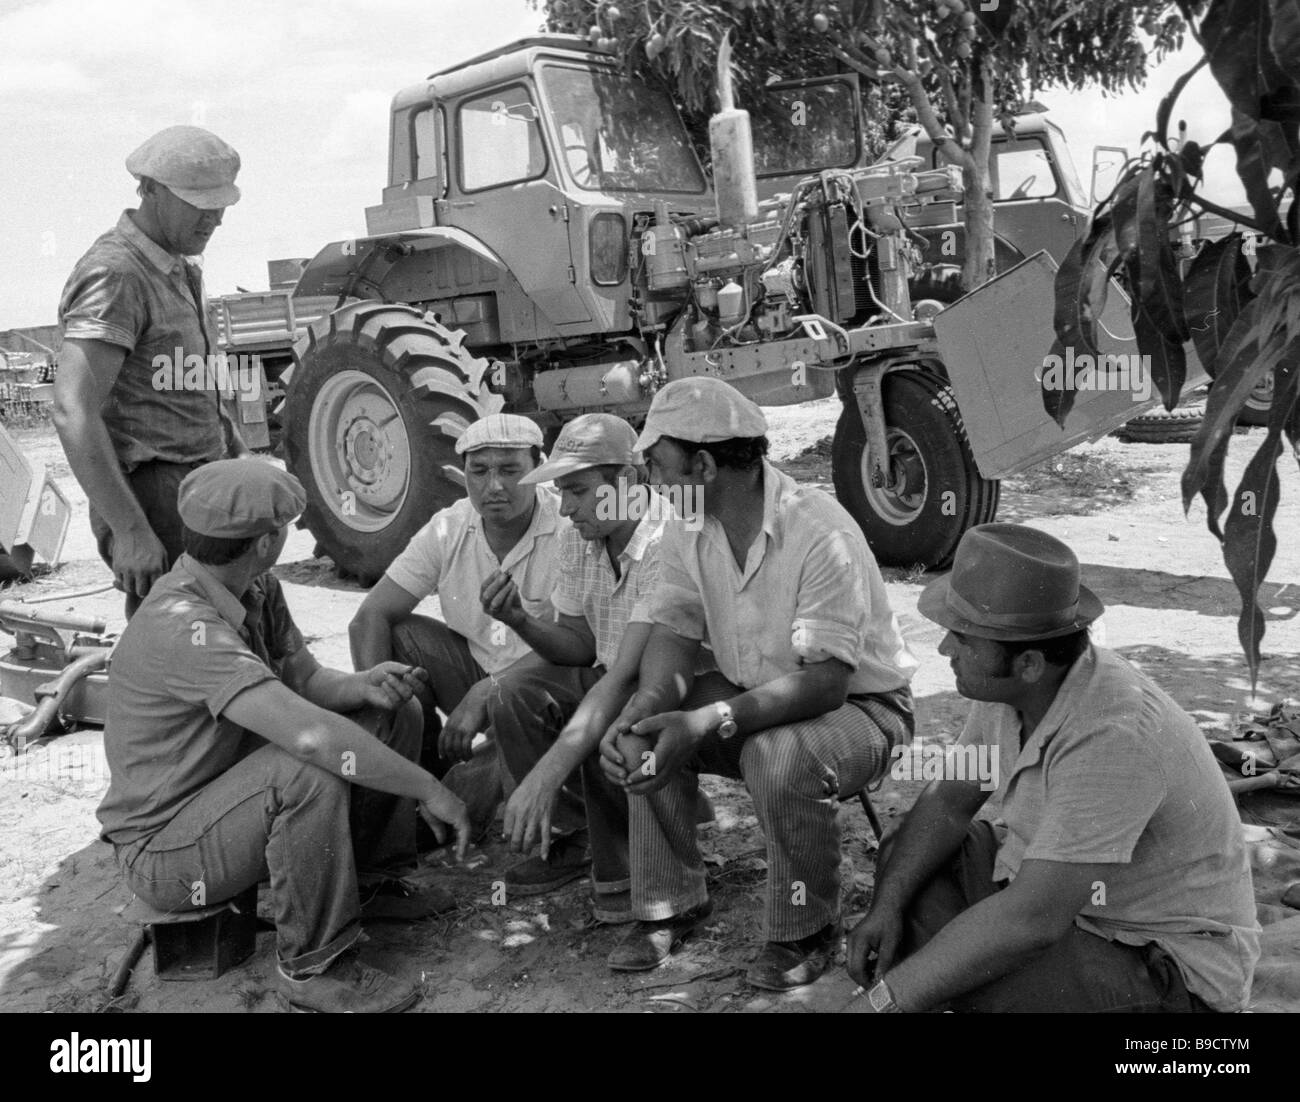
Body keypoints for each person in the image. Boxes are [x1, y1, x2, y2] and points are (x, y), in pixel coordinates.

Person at [98, 460, 470, 1014]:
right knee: (304, 771)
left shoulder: (253, 586)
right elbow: (310, 740)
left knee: (397, 713)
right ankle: (314, 968)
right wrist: (428, 788)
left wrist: (364, 685)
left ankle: (370, 884)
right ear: (267, 541)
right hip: (165, 850)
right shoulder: (182, 625)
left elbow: (305, 681)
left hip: (222, 801)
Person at [846, 523, 1260, 1013]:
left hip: (1156, 959)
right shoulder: (1009, 689)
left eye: (962, 639)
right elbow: (949, 803)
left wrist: (884, 1002)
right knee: (910, 858)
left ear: (1029, 664)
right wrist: (887, 905)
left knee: (987, 979)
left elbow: (1031, 922)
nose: (944, 651)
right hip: (1063, 901)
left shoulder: (1114, 736)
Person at [598, 377, 917, 990]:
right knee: (643, 734)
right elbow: (673, 631)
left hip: (863, 708)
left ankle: (806, 927)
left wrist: (704, 722)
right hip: (760, 696)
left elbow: (825, 683)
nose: (653, 484)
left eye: (660, 467)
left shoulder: (819, 530)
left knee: (774, 754)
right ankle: (673, 903)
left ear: (705, 463)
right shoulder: (686, 527)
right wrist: (647, 707)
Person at [55, 126, 250, 617]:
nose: (216, 218)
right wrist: (131, 530)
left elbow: (184, 379)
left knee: (231, 638)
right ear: (150, 190)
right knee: (184, 658)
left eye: (221, 204)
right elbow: (72, 409)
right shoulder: (116, 273)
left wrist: (233, 451)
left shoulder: (178, 265)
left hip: (199, 483)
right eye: (199, 202)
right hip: (153, 495)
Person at [480, 414, 669, 914]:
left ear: (626, 482)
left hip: (665, 684)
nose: (565, 509)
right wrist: (518, 618)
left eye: (578, 490)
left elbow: (631, 674)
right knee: (512, 689)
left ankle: (631, 874)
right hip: (613, 674)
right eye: (562, 492)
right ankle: (568, 836)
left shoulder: (668, 540)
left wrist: (543, 775)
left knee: (612, 711)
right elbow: (580, 644)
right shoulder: (581, 536)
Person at [348, 413, 566, 823]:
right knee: (399, 635)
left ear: (540, 468)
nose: (494, 486)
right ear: (462, 472)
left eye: (510, 470)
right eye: (478, 471)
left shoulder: (570, 528)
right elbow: (369, 617)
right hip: (474, 676)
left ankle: (444, 804)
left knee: (468, 795)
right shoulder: (449, 528)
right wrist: (383, 707)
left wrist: (488, 692)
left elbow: (582, 644)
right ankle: (421, 772)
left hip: (545, 688)